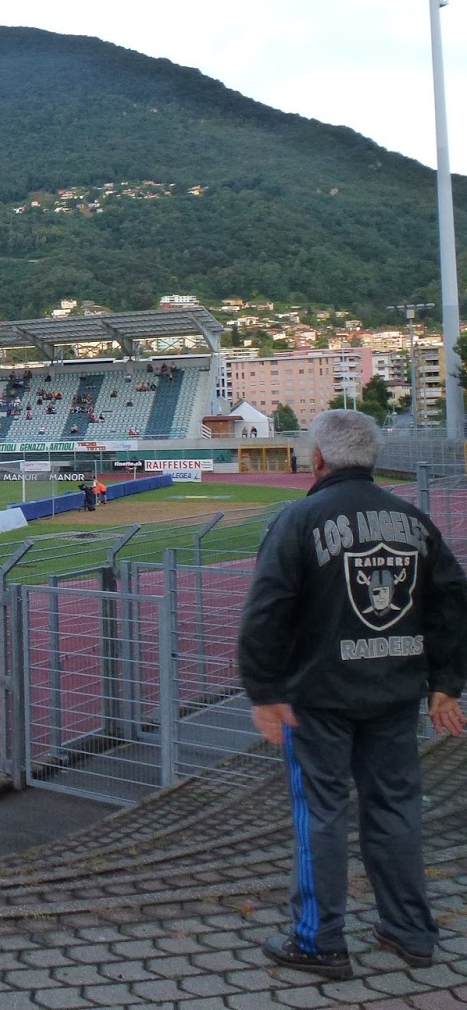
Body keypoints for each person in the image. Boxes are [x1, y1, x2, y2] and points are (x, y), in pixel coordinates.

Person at [239, 409, 467, 979]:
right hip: (394, 694)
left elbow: (266, 612)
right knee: (395, 809)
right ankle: (411, 932)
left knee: (322, 813)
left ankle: (318, 942)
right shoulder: (414, 520)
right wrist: (445, 685)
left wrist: (264, 690)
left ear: (317, 459)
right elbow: (452, 604)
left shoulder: (299, 519)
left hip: (318, 699)